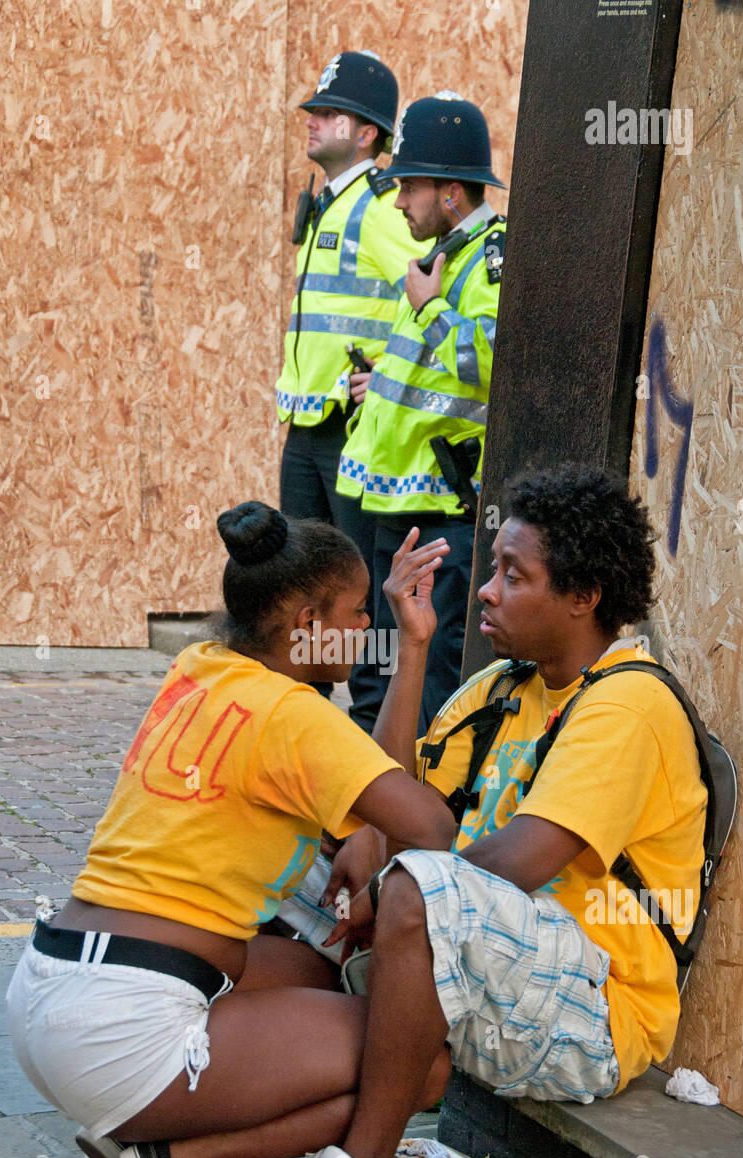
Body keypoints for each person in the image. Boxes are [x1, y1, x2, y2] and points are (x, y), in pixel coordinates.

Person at [219, 465, 707, 1158]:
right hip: (480, 977)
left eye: (513, 576)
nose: (483, 592)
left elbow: (515, 864)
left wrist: (390, 881)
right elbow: (389, 797)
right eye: (491, 570)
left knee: (412, 882)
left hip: (590, 1013)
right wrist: (411, 649)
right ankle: (217, 1097)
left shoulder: (628, 706)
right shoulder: (498, 688)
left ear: (584, 596)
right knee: (302, 866)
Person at [6, 502, 454, 1158]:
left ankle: (150, 1128)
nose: (365, 633)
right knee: (415, 1062)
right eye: (356, 615)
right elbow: (428, 826)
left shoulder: (200, 670)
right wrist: (368, 828)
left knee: (318, 970)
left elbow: (361, 808)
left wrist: (409, 653)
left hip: (50, 993)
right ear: (306, 620)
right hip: (122, 1034)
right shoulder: (293, 717)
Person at [337, 93, 507, 732]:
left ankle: (418, 821)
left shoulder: (490, 257)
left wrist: (433, 310)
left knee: (426, 680)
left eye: (410, 186)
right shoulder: (441, 258)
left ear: (453, 192)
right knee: (384, 672)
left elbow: (489, 365)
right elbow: (429, 372)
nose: (401, 201)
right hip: (395, 508)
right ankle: (375, 819)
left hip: (438, 515)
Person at [276, 50, 423, 728]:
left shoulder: (376, 209)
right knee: (301, 581)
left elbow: (429, 296)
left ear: (367, 133)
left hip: (349, 432)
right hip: (307, 429)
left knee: (356, 583)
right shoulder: (327, 206)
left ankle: (369, 731)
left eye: (328, 113)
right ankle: (304, 718)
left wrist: (388, 372)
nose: (312, 121)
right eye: (312, 110)